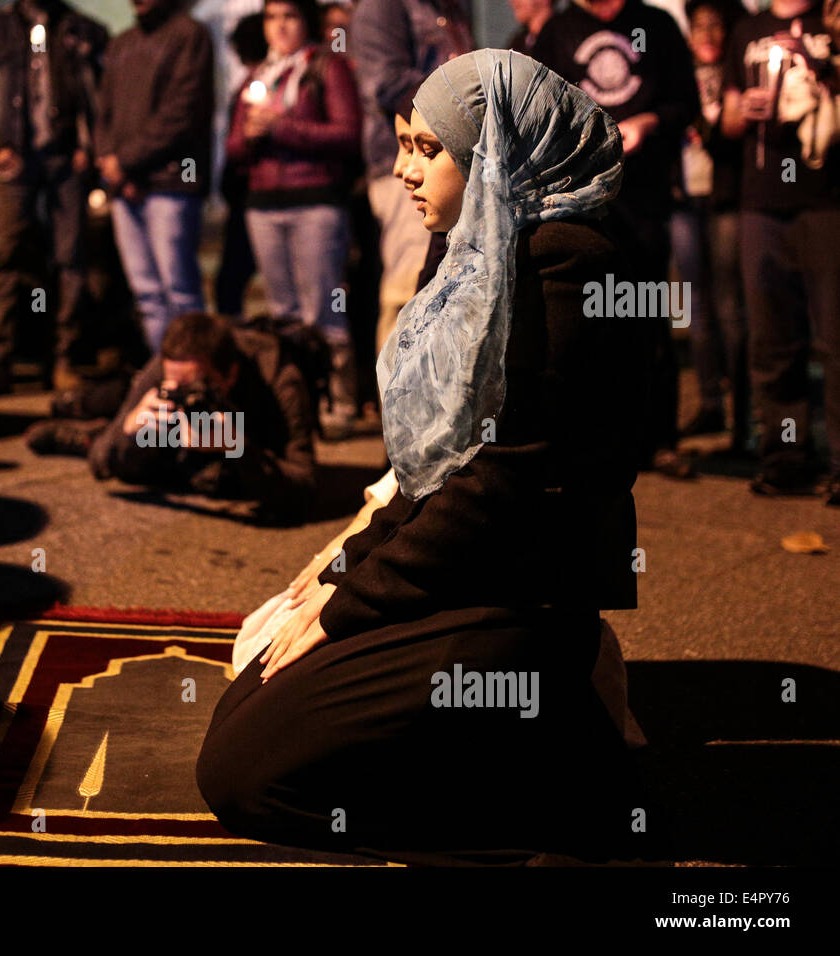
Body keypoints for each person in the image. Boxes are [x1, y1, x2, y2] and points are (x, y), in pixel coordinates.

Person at [197, 50, 654, 863]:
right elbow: (431, 466)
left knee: (246, 777)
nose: (406, 170)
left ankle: (558, 802)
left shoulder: (568, 261)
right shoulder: (476, 240)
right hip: (460, 562)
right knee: (247, 698)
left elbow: (496, 484)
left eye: (429, 148)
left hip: (516, 595)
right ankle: (541, 735)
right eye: (404, 144)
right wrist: (343, 568)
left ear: (493, 150)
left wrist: (349, 602)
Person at [531, 0, 700, 481]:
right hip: (578, 198)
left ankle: (659, 439)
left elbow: (684, 101)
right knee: (584, 315)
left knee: (646, 313)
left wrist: (650, 122)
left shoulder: (657, 26)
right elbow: (536, 109)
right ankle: (596, 437)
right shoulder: (559, 31)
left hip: (644, 196)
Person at [0, 0, 108, 399]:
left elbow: (96, 96)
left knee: (69, 258)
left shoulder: (81, 29)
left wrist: (86, 148)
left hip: (64, 160)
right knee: (4, 256)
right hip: (13, 161)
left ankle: (64, 359)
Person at [226, 0, 363, 437]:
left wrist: (280, 127)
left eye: (289, 16)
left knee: (323, 308)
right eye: (271, 17)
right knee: (282, 313)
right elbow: (231, 150)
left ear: (305, 22)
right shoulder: (256, 77)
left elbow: (348, 134)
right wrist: (247, 137)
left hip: (316, 200)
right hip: (264, 204)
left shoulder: (327, 67)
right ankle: (297, 403)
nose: (280, 27)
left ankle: (341, 403)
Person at [721, 0, 840, 504]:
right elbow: (726, 121)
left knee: (835, 340)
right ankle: (786, 457)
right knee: (773, 341)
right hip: (762, 204)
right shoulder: (748, 29)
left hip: (827, 201)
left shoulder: (830, 21)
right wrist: (740, 111)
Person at [88, 312, 317, 524]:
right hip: (179, 463)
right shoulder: (172, 366)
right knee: (97, 404)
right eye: (177, 388)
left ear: (231, 374)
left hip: (246, 451)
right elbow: (99, 462)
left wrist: (237, 447)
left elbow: (304, 489)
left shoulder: (279, 378)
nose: (185, 396)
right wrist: (129, 433)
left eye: (195, 389)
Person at [349, 0, 472, 354]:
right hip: (406, 159)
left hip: (449, 161)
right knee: (408, 291)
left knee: (439, 281)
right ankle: (397, 398)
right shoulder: (381, 7)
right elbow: (385, 83)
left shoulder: (450, 7)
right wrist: (461, 91)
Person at [94, 0, 214, 352]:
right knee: (147, 295)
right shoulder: (122, 43)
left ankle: (197, 382)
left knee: (180, 292)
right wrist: (111, 163)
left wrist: (126, 162)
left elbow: (182, 111)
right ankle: (165, 381)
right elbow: (104, 113)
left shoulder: (190, 35)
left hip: (171, 183)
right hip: (124, 186)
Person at [671, 0, 750, 449]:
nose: (706, 33)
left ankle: (743, 415)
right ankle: (709, 403)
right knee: (695, 304)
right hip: (684, 197)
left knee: (729, 304)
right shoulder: (680, 73)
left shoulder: (734, 71)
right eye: (698, 26)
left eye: (714, 26)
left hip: (724, 198)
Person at [215, 12, 266, 322]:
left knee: (232, 279)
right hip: (246, 195)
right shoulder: (251, 85)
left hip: (255, 193)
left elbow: (236, 148)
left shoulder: (260, 85)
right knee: (230, 281)